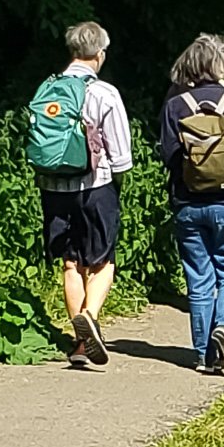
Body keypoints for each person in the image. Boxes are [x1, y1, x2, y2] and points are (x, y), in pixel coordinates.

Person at [161, 34, 224, 374]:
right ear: (220, 64)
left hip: (188, 203)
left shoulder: (175, 105)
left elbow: (168, 157)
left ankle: (204, 356)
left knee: (199, 278)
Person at [37, 22, 134, 368]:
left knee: (70, 263)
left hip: (53, 188)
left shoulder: (48, 88)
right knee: (102, 262)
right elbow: (121, 157)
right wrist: (118, 180)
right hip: (95, 186)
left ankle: (80, 345)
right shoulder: (104, 93)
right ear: (100, 54)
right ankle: (90, 317)